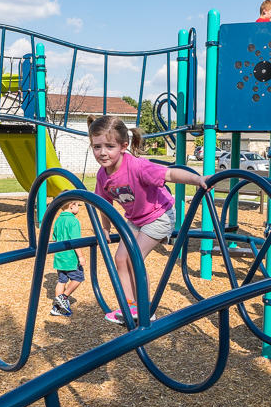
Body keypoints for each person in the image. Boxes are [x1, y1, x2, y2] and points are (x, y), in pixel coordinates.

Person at [88, 115, 208, 325]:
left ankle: (146, 309)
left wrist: (197, 179)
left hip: (159, 215)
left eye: (109, 146)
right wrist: (105, 228)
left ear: (123, 146)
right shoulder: (102, 175)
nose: (103, 152)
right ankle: (129, 306)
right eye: (97, 147)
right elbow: (104, 204)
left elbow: (169, 174)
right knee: (120, 259)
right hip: (135, 218)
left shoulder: (138, 167)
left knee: (134, 257)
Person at [50, 195, 85, 316]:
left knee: (61, 281)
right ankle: (63, 297)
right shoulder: (73, 221)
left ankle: (57, 308)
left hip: (59, 257)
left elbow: (54, 239)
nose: (78, 208)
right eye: (78, 205)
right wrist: (80, 256)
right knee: (78, 278)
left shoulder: (58, 220)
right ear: (71, 205)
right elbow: (76, 241)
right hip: (71, 258)